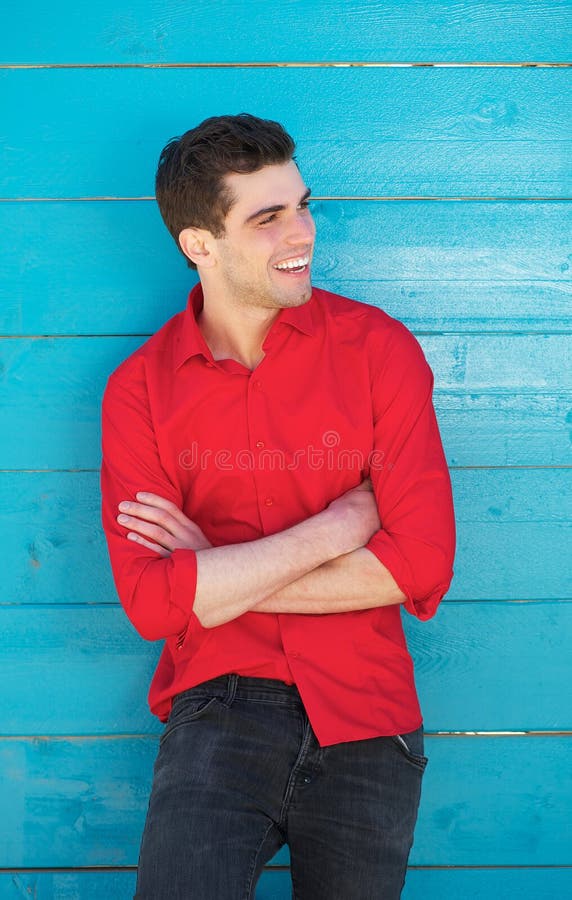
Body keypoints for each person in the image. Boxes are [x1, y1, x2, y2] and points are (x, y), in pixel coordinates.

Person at [100, 113, 456, 899]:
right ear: (200, 244)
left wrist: (215, 578)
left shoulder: (379, 350)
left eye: (302, 204)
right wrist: (338, 529)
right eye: (267, 218)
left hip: (368, 711)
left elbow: (423, 561)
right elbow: (152, 604)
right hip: (218, 708)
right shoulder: (140, 392)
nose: (303, 232)